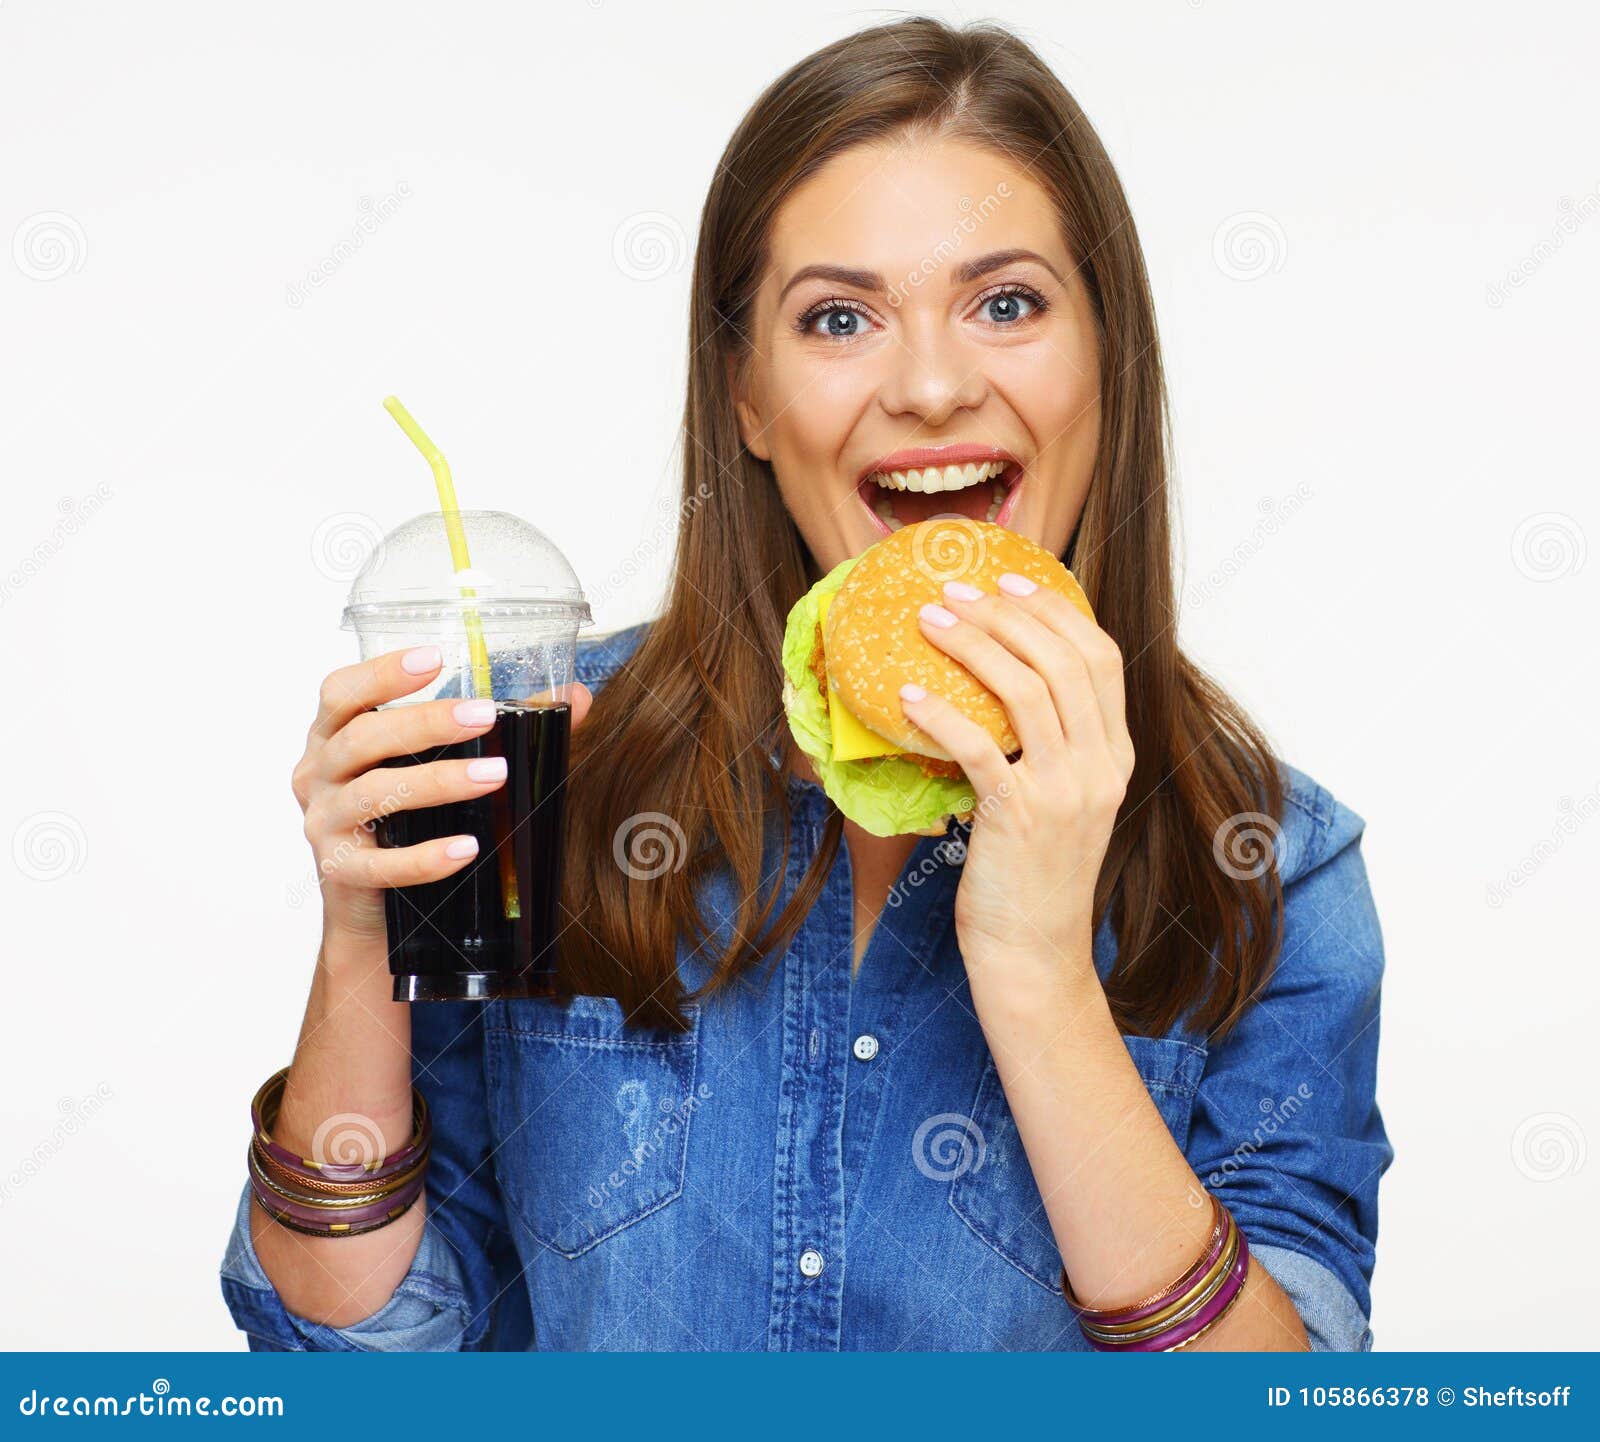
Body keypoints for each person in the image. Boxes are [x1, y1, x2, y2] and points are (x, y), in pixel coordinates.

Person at [222, 17, 1390, 1352]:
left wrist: (1039, 979)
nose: (936, 385)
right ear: (748, 398)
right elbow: (365, 1369)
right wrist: (371, 942)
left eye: (1005, 302)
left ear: (1107, 362)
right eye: (840, 318)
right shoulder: (548, 764)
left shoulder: (1273, 868)